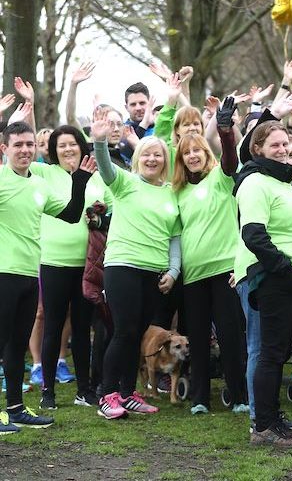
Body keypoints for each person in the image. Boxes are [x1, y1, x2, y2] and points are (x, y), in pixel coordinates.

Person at [0, 121, 94, 435]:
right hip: (3, 273)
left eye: (29, 144)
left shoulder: (39, 185)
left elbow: (69, 215)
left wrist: (80, 182)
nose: (25, 150)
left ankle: (15, 409)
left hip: (30, 274)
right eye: (18, 145)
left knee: (16, 348)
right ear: (5, 149)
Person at [90, 111, 181, 421]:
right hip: (123, 266)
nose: (152, 159)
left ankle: (128, 394)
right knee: (123, 331)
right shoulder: (126, 183)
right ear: (138, 158)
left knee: (138, 333)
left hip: (154, 273)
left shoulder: (171, 194)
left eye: (158, 155)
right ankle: (107, 395)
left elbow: (175, 237)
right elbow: (104, 168)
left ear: (165, 161)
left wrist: (173, 270)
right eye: (147, 154)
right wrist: (99, 140)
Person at [233, 121, 292, 447]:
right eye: (274, 145)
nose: (281, 150)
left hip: (286, 276)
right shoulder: (254, 181)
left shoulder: (282, 183)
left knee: (276, 353)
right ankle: (262, 428)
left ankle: (271, 419)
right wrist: (284, 268)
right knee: (268, 352)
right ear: (258, 149)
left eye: (285, 144)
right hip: (271, 276)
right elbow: (253, 234)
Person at [172, 97, 248, 415]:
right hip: (193, 275)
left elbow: (230, 160)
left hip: (224, 270)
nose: (192, 156)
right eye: (186, 152)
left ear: (206, 154)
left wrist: (226, 130)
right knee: (198, 339)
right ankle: (200, 397)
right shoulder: (177, 192)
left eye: (198, 151)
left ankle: (240, 396)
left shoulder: (221, 180)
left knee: (231, 337)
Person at [37, 126, 109, 410]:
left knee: (82, 329)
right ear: (53, 151)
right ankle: (48, 390)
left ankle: (84, 390)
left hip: (86, 265)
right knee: (53, 326)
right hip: (53, 262)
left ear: (82, 147)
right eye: (61, 145)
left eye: (73, 144)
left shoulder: (97, 178)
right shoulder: (43, 173)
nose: (68, 149)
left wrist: (99, 220)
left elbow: (109, 215)